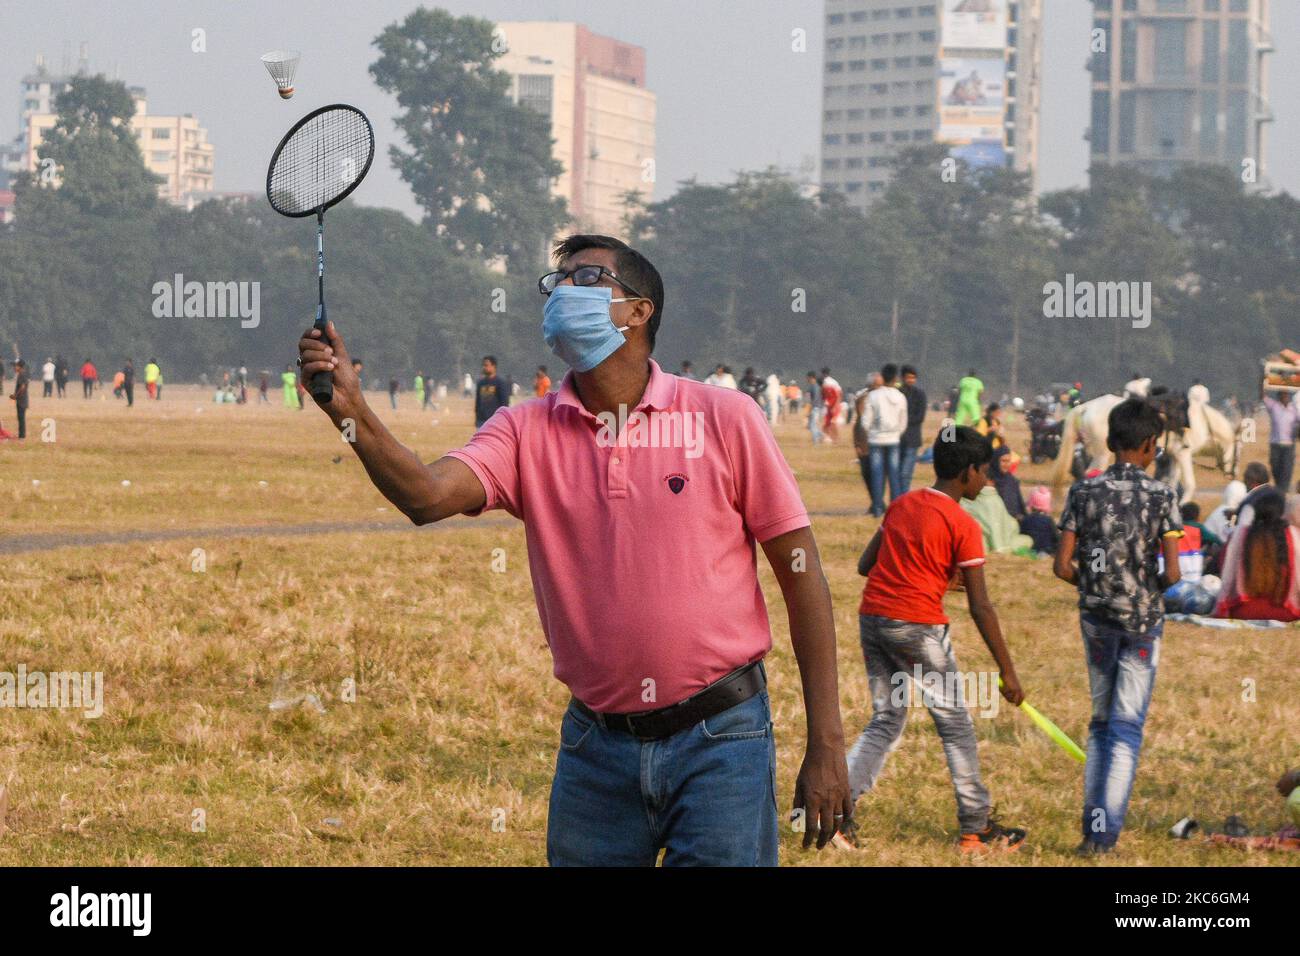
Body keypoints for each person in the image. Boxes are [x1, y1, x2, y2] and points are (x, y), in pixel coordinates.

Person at [298, 232, 852, 866]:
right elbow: (425, 496)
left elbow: (802, 576)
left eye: (587, 279)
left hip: (722, 735)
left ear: (638, 311)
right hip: (596, 746)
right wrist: (349, 408)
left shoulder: (724, 418)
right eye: (556, 281)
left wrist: (826, 742)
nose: (563, 291)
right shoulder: (525, 428)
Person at [841, 426, 1026, 854]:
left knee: (886, 719)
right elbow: (983, 607)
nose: (988, 480)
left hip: (874, 619)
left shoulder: (903, 503)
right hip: (918, 628)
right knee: (956, 725)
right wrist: (1008, 671)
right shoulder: (963, 522)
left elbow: (867, 565)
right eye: (985, 472)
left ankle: (835, 814)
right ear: (968, 472)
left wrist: (934, 573)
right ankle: (975, 828)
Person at [1054, 399, 1182, 856]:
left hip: (1096, 621)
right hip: (1143, 624)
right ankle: (1104, 838)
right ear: (1151, 447)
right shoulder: (1164, 496)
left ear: (1108, 443)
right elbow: (1172, 574)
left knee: (1100, 723)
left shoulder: (1084, 493)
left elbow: (1062, 564)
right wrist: (1144, 588)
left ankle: (1092, 827)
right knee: (1127, 728)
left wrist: (1094, 585)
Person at [1213, 490, 1300, 621]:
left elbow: (1225, 573)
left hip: (1242, 611)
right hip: (1286, 612)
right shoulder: (1292, 536)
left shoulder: (1240, 536)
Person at [864, 363, 908, 517]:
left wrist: (872, 431)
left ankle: (877, 509)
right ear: (896, 378)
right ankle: (895, 509)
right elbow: (903, 422)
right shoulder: (901, 397)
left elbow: (865, 422)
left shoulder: (873, 396)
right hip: (894, 439)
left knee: (877, 474)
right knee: (894, 475)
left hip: (876, 439)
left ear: (882, 377)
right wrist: (896, 433)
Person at [1262, 389, 1298, 495]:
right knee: (1275, 467)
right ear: (1279, 396)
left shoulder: (1294, 409)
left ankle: (1283, 491)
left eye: (1286, 395)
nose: (1285, 397)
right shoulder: (1274, 406)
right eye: (1283, 395)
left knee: (1287, 469)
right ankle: (1279, 488)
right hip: (1275, 444)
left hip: (1289, 444)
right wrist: (1264, 381)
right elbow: (1263, 397)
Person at [899, 364, 926, 493]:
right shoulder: (897, 393)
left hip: (912, 439)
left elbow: (920, 417)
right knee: (897, 472)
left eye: (913, 377)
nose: (911, 380)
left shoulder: (920, 394)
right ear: (903, 378)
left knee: (906, 473)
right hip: (897, 439)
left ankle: (903, 498)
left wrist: (903, 420)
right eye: (908, 377)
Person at [1020, 486, 1059, 555]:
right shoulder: (1048, 520)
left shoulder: (1025, 519)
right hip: (1047, 550)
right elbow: (1056, 537)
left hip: (1030, 550)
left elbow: (1022, 535)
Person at [474, 356, 509, 428]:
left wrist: (502, 419)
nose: (484, 367)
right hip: (481, 420)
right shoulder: (481, 383)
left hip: (495, 420)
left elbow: (504, 403)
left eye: (486, 365)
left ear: (494, 366)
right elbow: (478, 401)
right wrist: (477, 417)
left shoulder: (500, 383)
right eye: (483, 365)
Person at [821, 368, 843, 444]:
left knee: (833, 423)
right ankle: (830, 438)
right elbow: (840, 394)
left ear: (823, 374)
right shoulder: (834, 382)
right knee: (827, 423)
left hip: (833, 406)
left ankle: (836, 439)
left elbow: (837, 396)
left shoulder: (827, 383)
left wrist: (834, 406)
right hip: (831, 406)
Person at [9, 359, 29, 439]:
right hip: (22, 400)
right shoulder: (22, 374)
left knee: (21, 418)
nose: (14, 367)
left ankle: (22, 436)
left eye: (16, 366)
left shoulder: (21, 374)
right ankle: (21, 435)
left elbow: (22, 387)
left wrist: (15, 396)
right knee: (20, 418)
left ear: (20, 367)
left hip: (21, 401)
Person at [806, 371, 823, 445]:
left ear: (811, 377)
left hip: (815, 408)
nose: (806, 379)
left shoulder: (814, 386)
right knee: (810, 425)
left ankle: (816, 442)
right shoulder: (814, 386)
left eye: (807, 377)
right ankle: (821, 435)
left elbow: (815, 398)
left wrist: (810, 409)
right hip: (816, 408)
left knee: (813, 425)